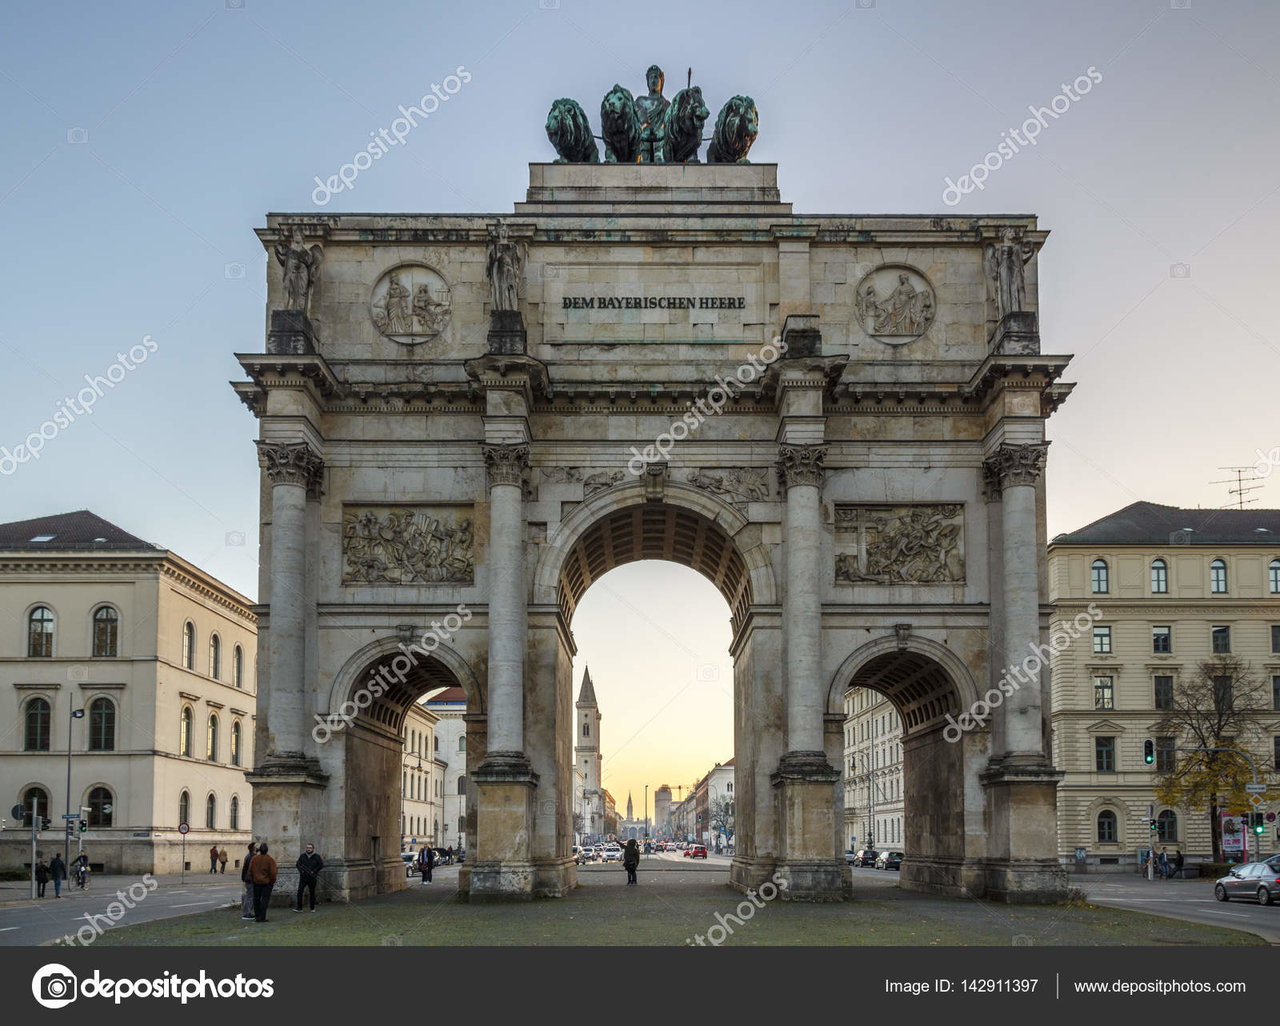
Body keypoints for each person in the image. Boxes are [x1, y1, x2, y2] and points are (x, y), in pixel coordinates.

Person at [248, 843, 278, 922]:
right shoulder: (270, 860)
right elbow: (273, 872)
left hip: (256, 882)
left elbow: (250, 871)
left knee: (256, 899)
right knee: (265, 900)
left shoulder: (254, 859)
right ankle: (262, 916)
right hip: (266, 882)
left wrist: (253, 879)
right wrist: (272, 881)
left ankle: (257, 915)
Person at [294, 843, 323, 913]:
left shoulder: (317, 856)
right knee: (300, 892)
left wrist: (314, 871)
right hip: (303, 877)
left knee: (312, 892)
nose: (308, 849)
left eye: (310, 848)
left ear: (313, 849)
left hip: (312, 877)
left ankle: (312, 908)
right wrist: (301, 871)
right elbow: (298, 864)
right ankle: (299, 907)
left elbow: (321, 865)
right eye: (307, 848)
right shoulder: (302, 856)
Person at [240, 842, 258, 920]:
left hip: (247, 878)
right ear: (254, 848)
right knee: (250, 896)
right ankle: (246, 913)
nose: (257, 847)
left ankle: (247, 912)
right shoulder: (252, 857)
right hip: (250, 879)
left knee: (249, 896)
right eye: (256, 846)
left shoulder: (249, 855)